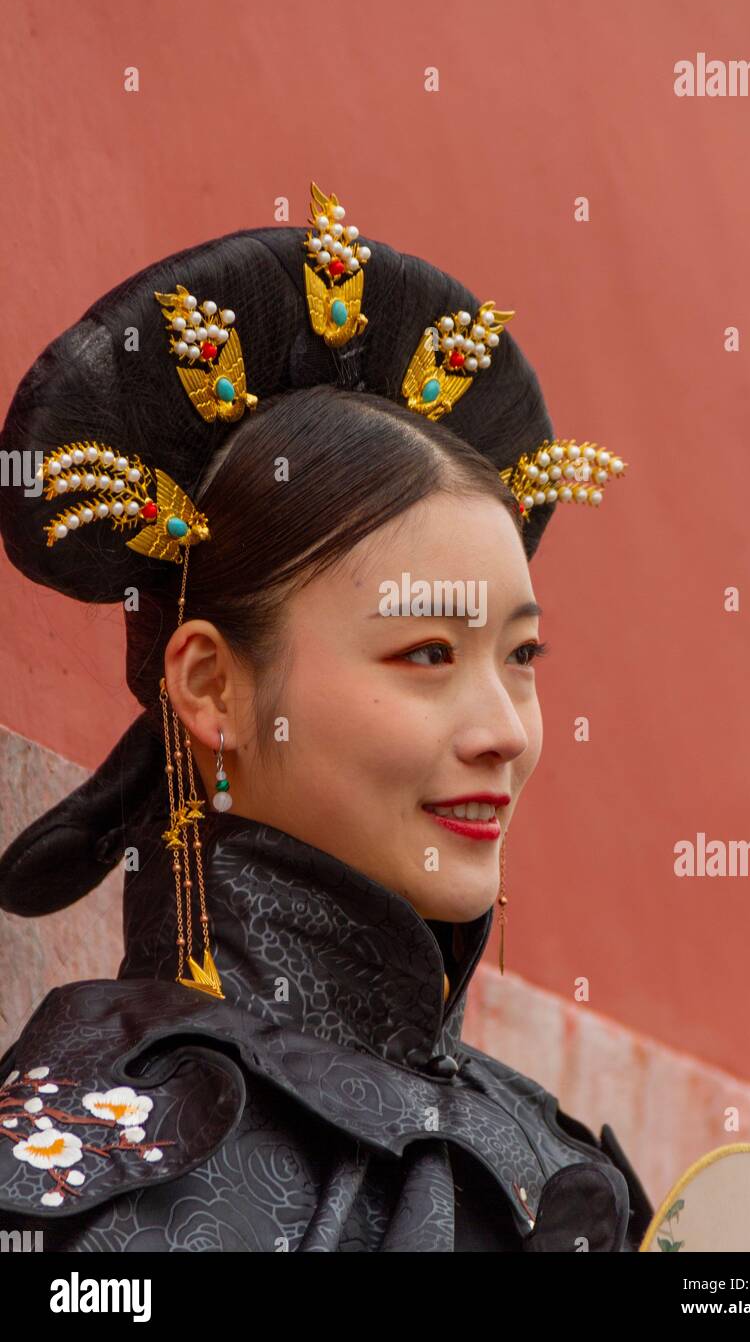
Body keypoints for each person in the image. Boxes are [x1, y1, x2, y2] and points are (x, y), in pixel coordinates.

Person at [0, 184, 652, 1251]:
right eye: (427, 654)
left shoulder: (551, 1154)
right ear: (211, 685)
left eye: (521, 656)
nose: (505, 731)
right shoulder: (104, 1164)